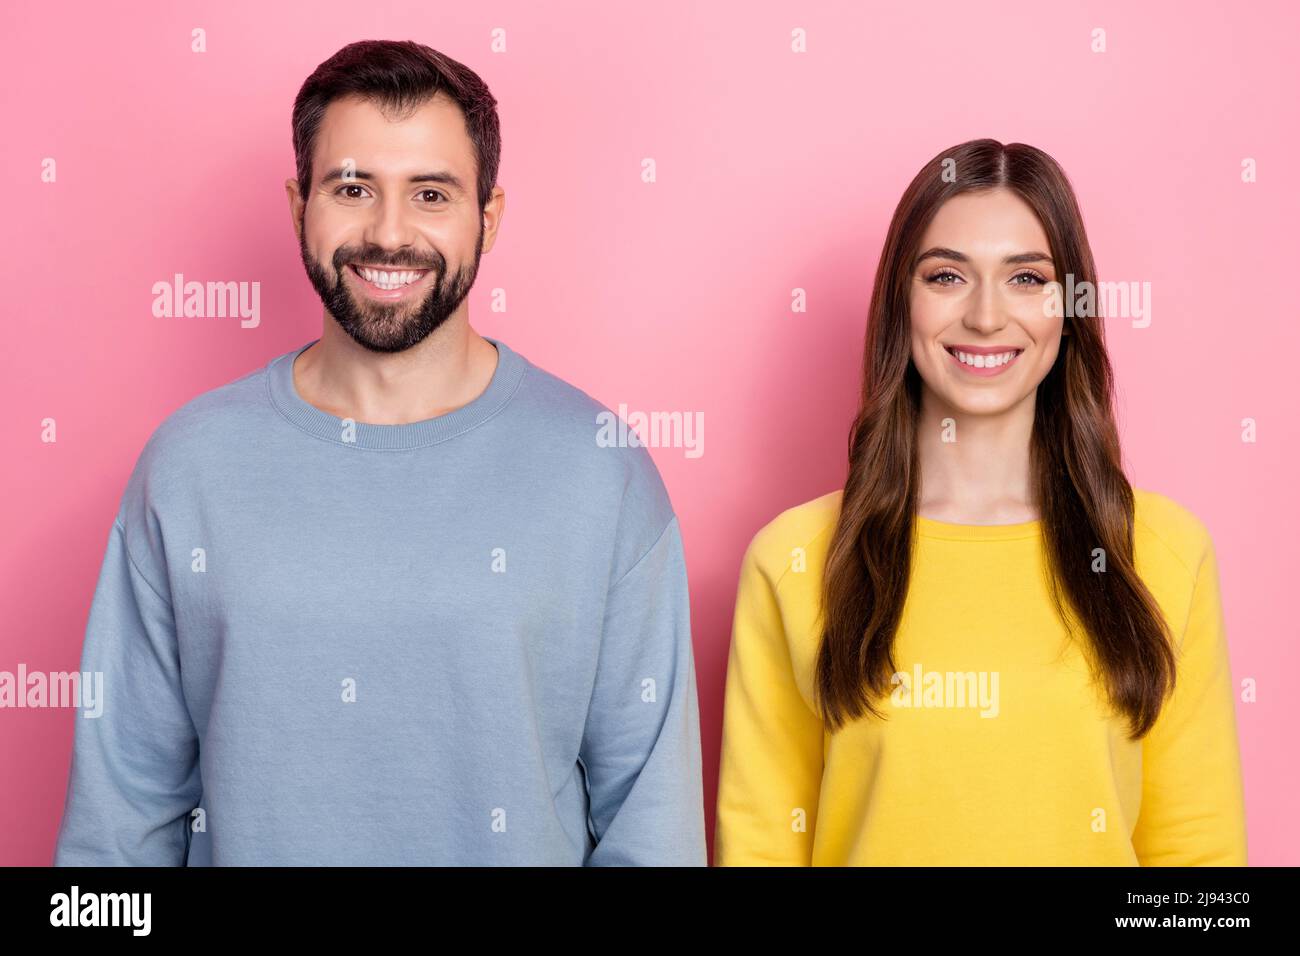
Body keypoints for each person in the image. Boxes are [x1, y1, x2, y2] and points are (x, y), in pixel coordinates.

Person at [54, 39, 706, 866]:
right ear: (299, 206)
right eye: (353, 188)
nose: (389, 233)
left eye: (431, 193)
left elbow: (652, 826)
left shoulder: (600, 469)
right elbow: (119, 825)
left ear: (488, 217)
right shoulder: (188, 467)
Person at [713, 139, 1247, 866]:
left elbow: (1197, 858)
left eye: (1026, 278)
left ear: (1070, 307)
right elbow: (762, 847)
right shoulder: (795, 560)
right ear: (901, 302)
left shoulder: (1164, 551)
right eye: (947, 276)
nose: (987, 317)